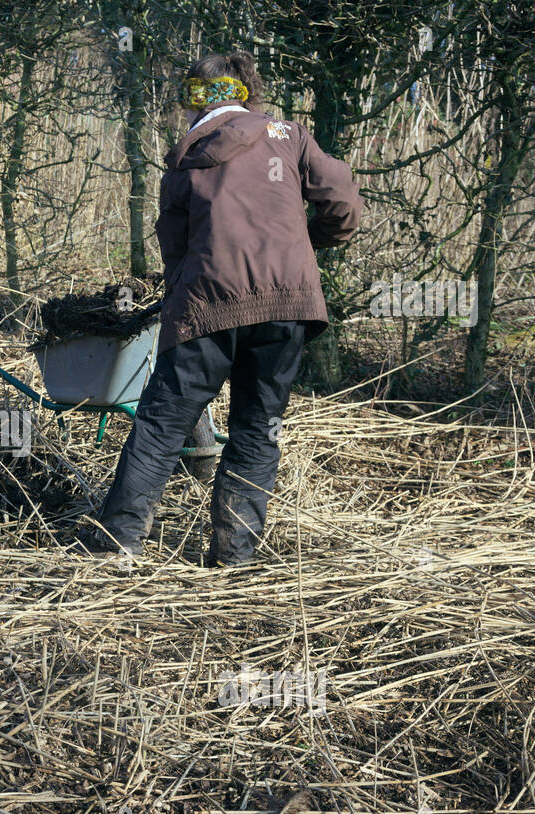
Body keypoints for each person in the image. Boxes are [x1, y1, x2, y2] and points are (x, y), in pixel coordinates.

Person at [83, 51, 361, 566]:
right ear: (246, 94)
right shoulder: (290, 137)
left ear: (193, 104)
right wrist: (306, 241)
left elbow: (176, 252)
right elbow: (342, 201)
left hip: (208, 304)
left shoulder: (184, 163)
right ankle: (234, 558)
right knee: (258, 428)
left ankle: (115, 545)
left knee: (162, 424)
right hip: (288, 304)